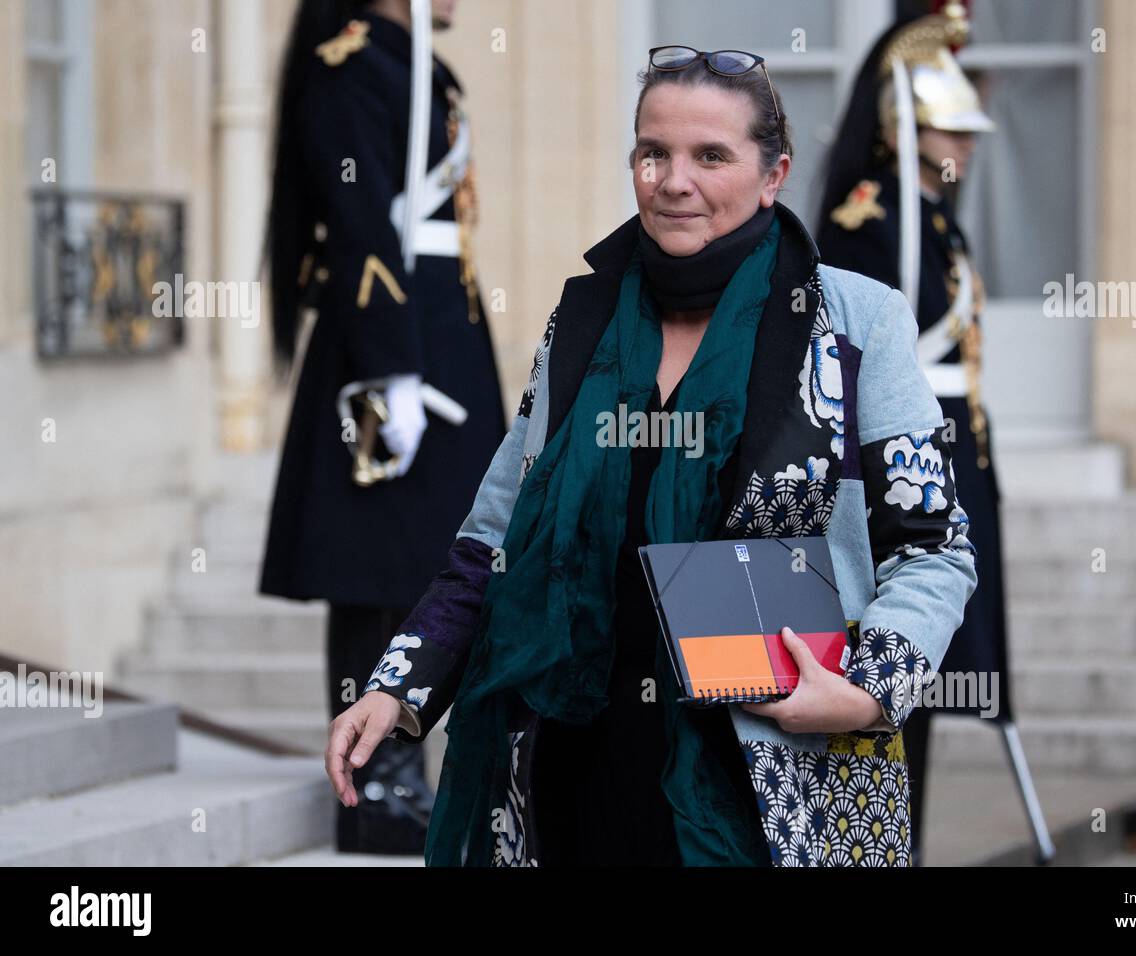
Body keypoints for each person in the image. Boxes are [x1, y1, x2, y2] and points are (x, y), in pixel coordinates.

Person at [327, 43, 976, 867]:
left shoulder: (858, 322)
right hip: (578, 762)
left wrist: (865, 691)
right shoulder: (584, 320)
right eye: (652, 153)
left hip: (782, 771)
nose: (675, 181)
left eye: (712, 155)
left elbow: (932, 548)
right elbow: (493, 536)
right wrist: (398, 685)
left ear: (774, 173)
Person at [260, 0, 506, 854]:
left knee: (438, 555)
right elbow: (362, 224)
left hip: (441, 336)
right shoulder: (353, 63)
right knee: (377, 563)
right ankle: (374, 785)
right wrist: (388, 365)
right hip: (388, 341)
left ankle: (410, 764)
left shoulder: (416, 65)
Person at [814, 2, 1015, 865]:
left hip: (955, 453)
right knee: (892, 661)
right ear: (903, 126)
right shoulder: (868, 221)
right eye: (946, 129)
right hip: (899, 457)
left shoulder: (934, 220)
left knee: (933, 664)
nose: (964, 146)